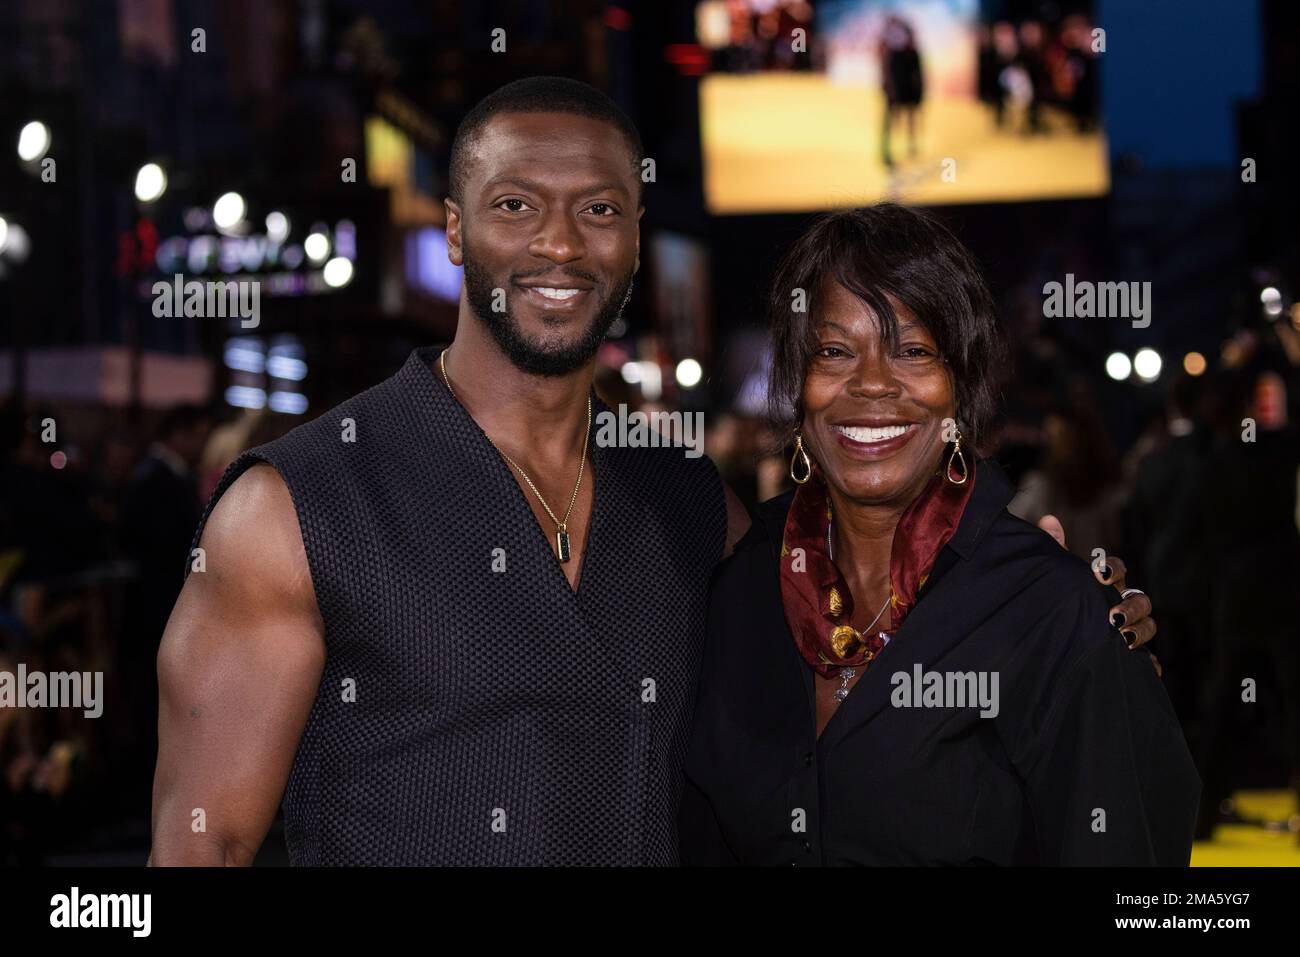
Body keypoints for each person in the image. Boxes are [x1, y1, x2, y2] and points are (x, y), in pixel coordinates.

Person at [149, 80, 1156, 867]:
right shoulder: (294, 508)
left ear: (635, 238)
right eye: (513, 204)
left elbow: (857, 656)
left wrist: (1058, 614)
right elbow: (204, 846)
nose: (557, 241)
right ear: (454, 231)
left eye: (598, 207)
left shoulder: (687, 506)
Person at [680, 205, 1197, 865]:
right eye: (835, 350)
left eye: (915, 350)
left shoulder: (1050, 610)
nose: (871, 382)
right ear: (797, 385)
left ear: (964, 387)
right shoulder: (733, 590)